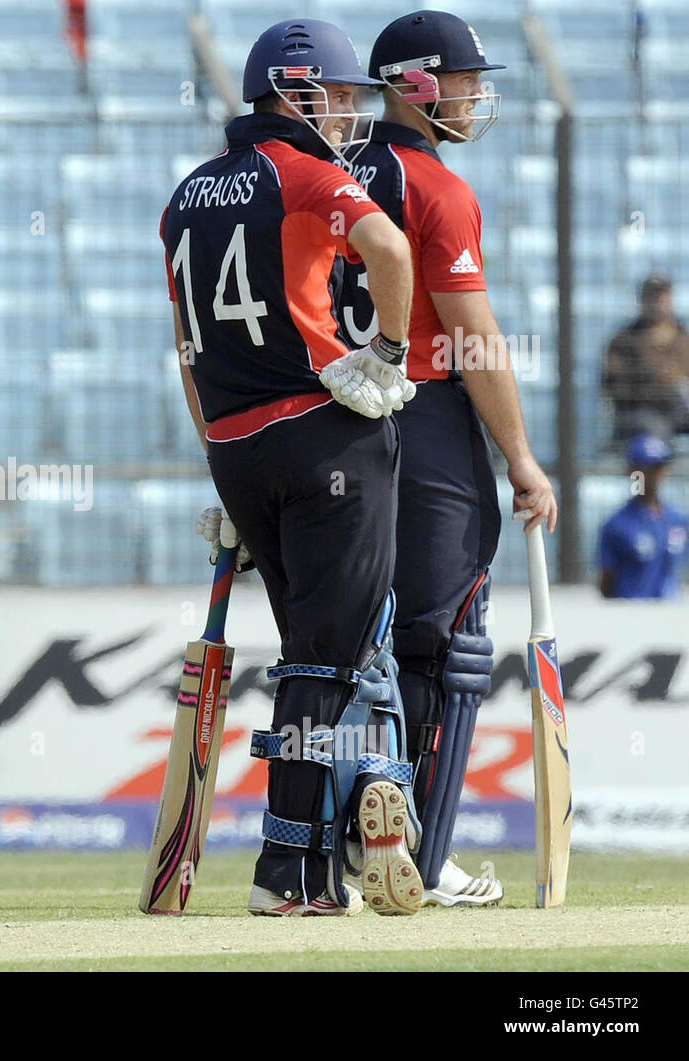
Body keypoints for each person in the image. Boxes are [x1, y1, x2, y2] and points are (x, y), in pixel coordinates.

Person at [167, 18, 422, 916]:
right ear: (296, 89)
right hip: (326, 431)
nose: (352, 113)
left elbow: (185, 354)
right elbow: (392, 250)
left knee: (323, 653)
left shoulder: (185, 196)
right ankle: (297, 866)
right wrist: (387, 352)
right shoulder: (308, 172)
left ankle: (345, 830)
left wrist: (219, 467)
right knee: (333, 660)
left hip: (238, 446)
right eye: (342, 95)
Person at [332, 10, 558, 907]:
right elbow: (473, 337)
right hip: (425, 425)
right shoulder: (434, 186)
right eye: (463, 79)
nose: (474, 95)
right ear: (415, 83)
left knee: (344, 647)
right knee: (447, 643)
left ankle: (323, 854)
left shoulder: (329, 173)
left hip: (334, 417)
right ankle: (420, 863)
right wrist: (523, 459)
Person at [602, 273, 689, 442]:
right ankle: (654, 468)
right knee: (653, 430)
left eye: (661, 296)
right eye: (651, 297)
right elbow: (614, 385)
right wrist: (656, 381)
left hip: (681, 410)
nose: (657, 302)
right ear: (641, 300)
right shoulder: (624, 340)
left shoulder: (684, 338)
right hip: (642, 413)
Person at [598, 434, 687, 598]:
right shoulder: (617, 525)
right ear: (633, 471)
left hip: (669, 613)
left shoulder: (678, 521)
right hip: (632, 614)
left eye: (660, 466)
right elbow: (606, 583)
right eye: (650, 468)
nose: (656, 474)